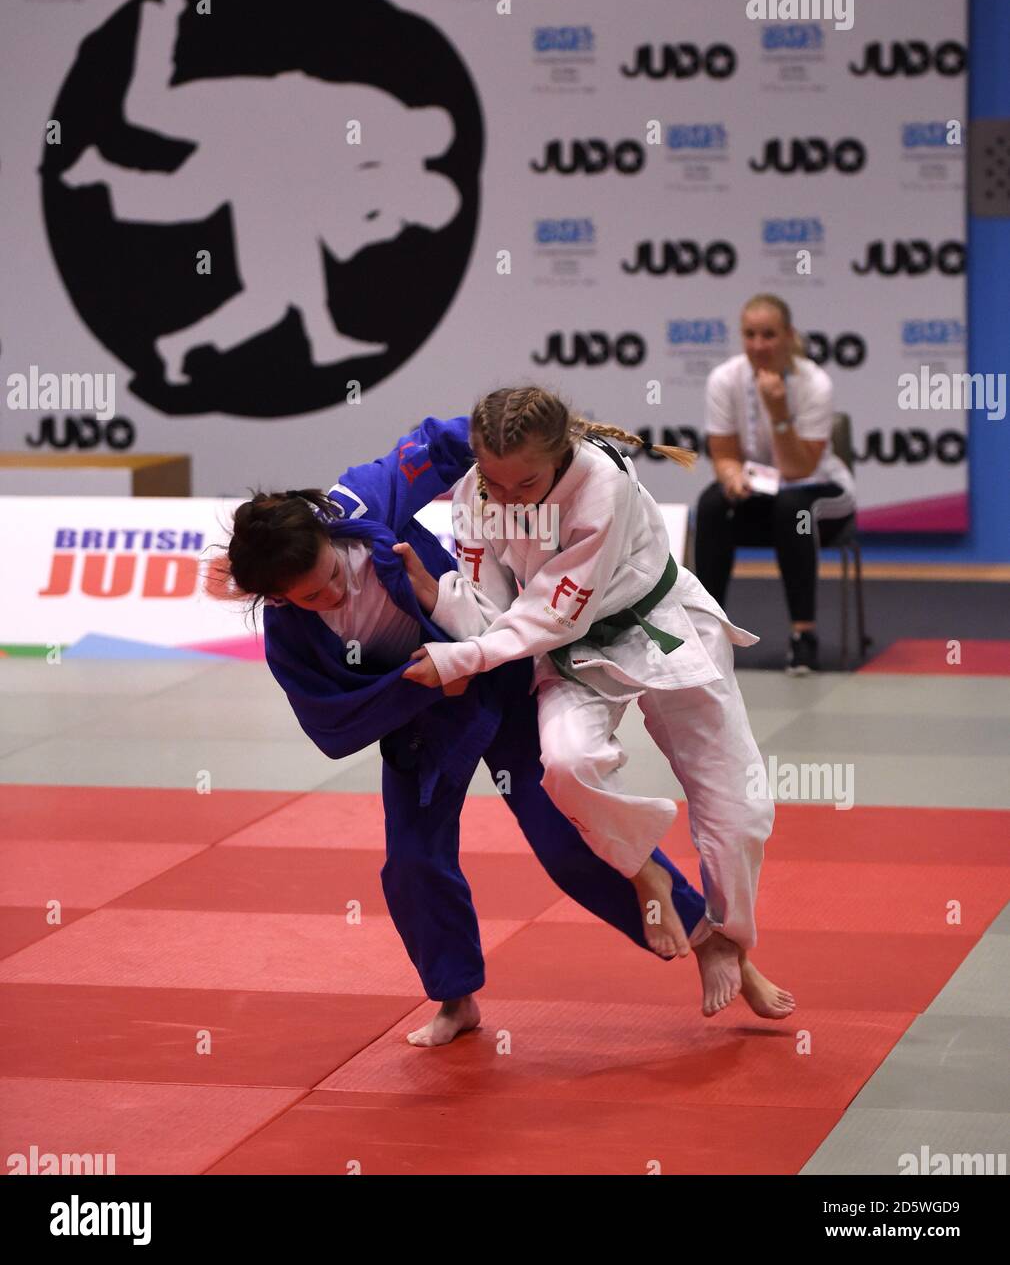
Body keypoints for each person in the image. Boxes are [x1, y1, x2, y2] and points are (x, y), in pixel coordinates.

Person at [207, 417, 771, 1042]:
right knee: (413, 864)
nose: (334, 594)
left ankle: (709, 942)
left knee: (566, 837)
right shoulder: (289, 637)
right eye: (312, 597)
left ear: (325, 532)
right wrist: (412, 686)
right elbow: (330, 722)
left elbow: (447, 442)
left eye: (334, 572)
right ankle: (455, 999)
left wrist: (544, 432)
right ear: (281, 600)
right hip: (419, 718)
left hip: (493, 674)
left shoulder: (362, 501)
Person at [399, 391, 794, 1020]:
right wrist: (444, 603)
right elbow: (497, 608)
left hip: (661, 626)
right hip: (572, 654)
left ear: (560, 455)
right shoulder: (479, 492)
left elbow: (555, 608)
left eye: (525, 482)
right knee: (565, 765)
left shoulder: (600, 482)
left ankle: (730, 941)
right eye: (493, 483)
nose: (508, 500)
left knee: (739, 810)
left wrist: (459, 657)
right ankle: (647, 873)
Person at [694, 293, 857, 674]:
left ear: (788, 336)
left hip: (821, 492)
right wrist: (732, 476)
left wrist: (779, 412)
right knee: (713, 503)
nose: (758, 345)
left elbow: (799, 469)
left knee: (793, 507)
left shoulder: (814, 382)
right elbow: (723, 452)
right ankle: (707, 633)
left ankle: (804, 637)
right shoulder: (724, 378)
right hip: (762, 492)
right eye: (750, 335)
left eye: (768, 335)